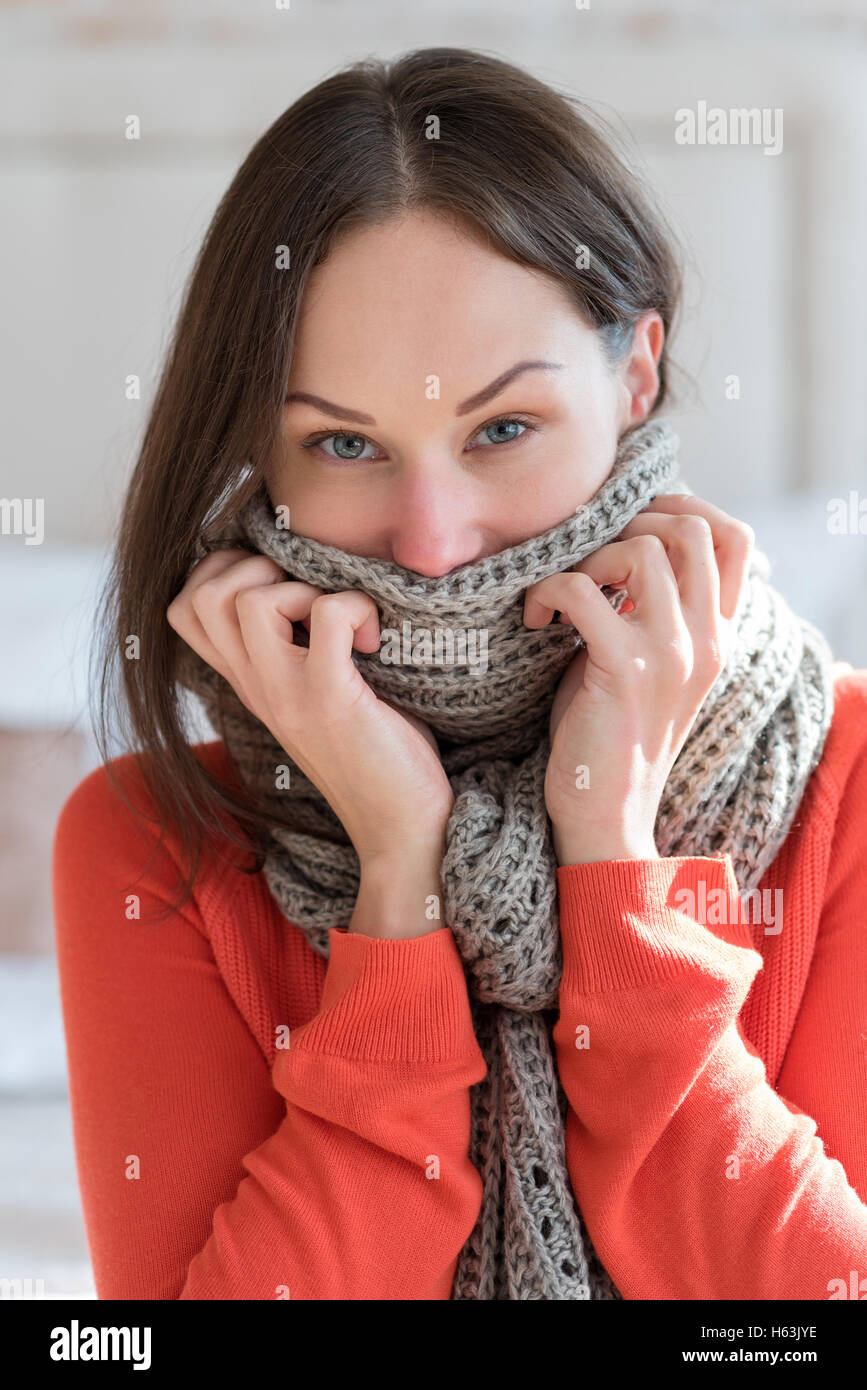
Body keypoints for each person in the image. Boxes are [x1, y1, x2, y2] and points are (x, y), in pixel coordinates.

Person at [53, 47, 867, 1301]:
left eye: (502, 429)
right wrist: (398, 871)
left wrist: (610, 853)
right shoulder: (150, 845)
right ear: (257, 456)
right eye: (342, 442)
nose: (432, 542)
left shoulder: (848, 780)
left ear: (635, 372)